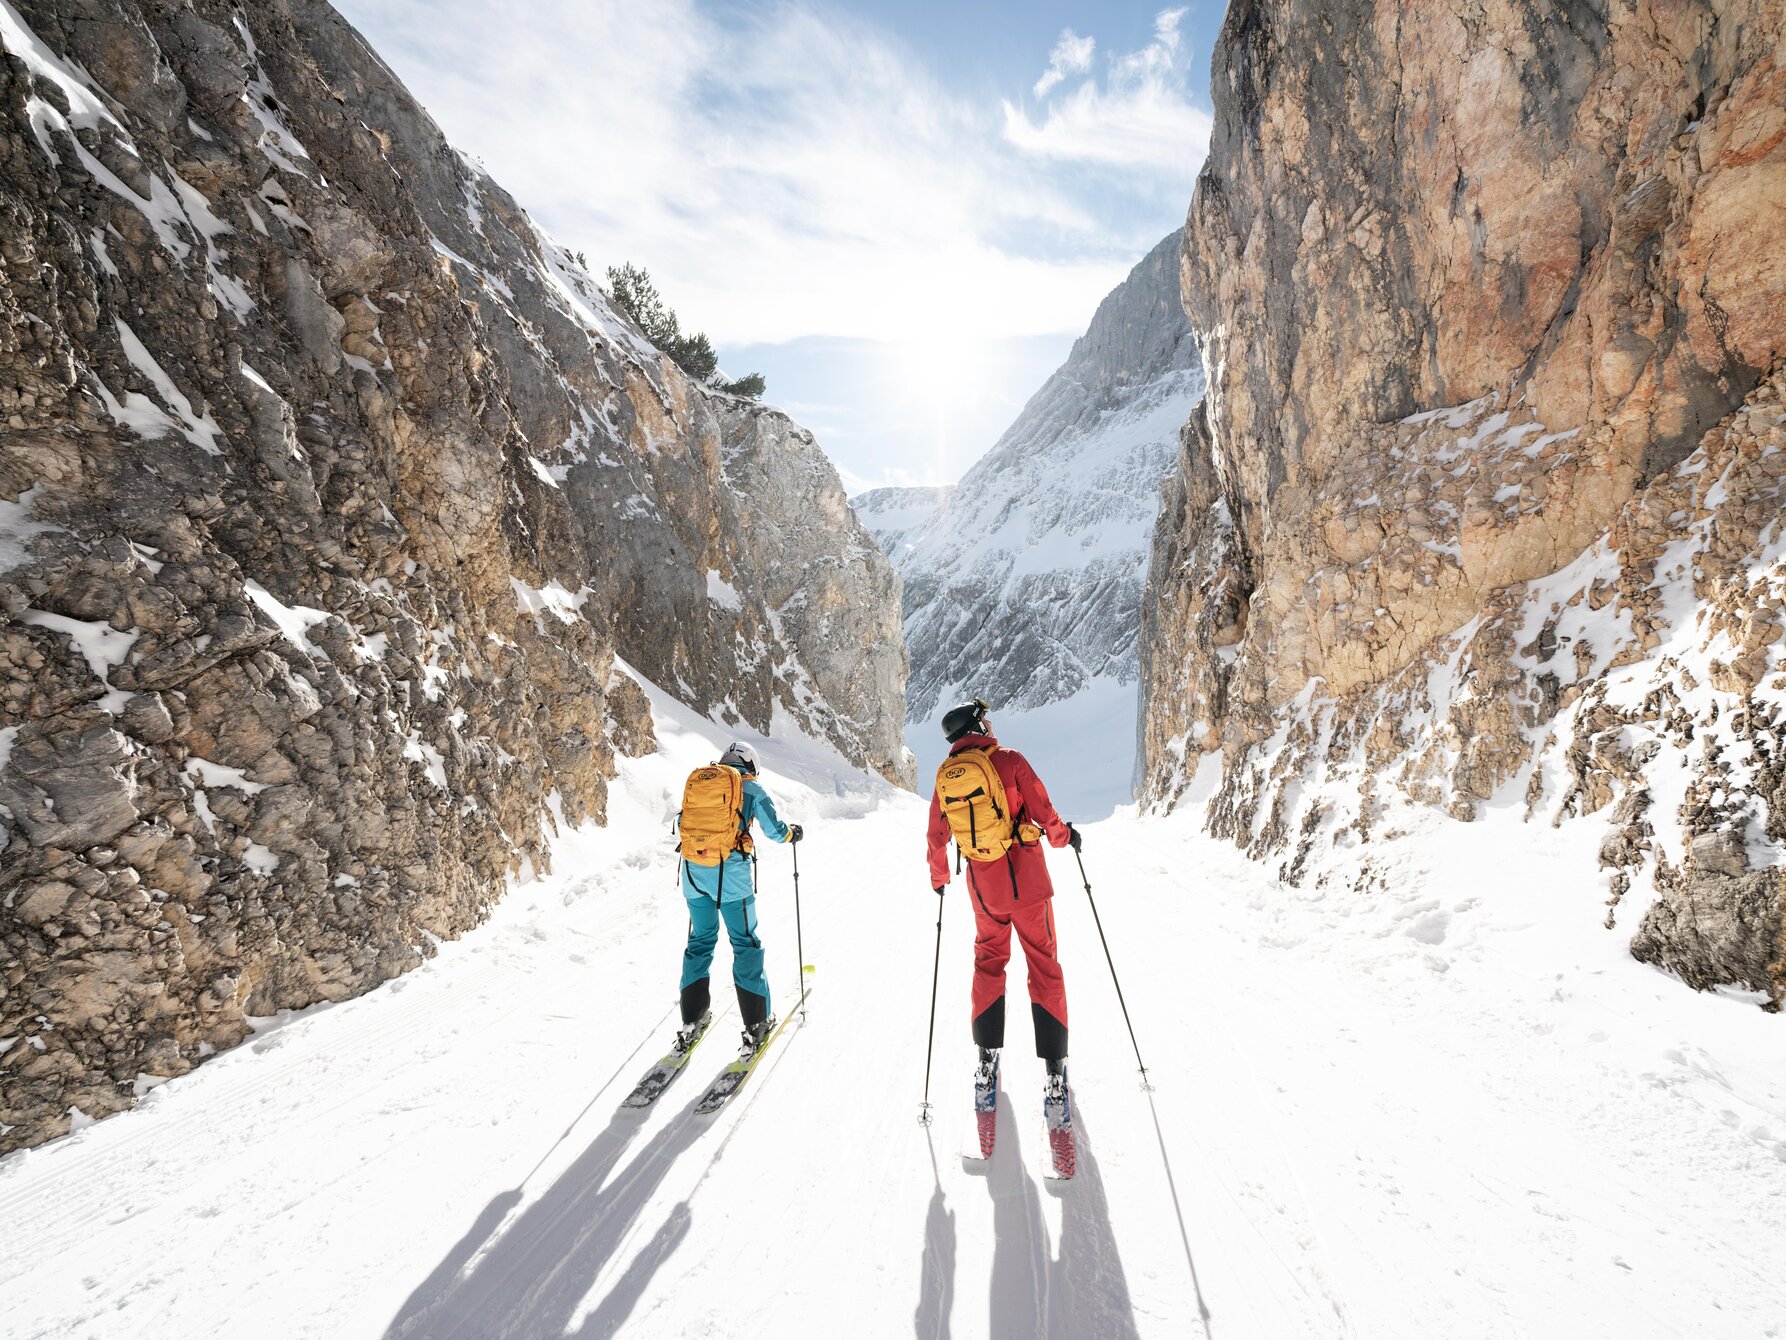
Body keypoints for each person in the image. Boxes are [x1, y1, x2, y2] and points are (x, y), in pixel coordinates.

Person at [926, 698, 1080, 1103]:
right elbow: (1045, 813)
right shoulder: (1010, 761)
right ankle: (1054, 1069)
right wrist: (1066, 837)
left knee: (989, 963)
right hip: (1028, 886)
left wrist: (940, 877)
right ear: (979, 726)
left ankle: (985, 1057)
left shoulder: (946, 777)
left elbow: (936, 836)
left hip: (984, 890)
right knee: (1043, 966)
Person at [677, 742, 802, 1055]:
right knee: (745, 943)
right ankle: (756, 1024)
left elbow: (681, 824)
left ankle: (692, 1019)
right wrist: (793, 834)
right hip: (730, 879)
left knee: (701, 941)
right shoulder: (751, 789)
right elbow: (775, 831)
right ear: (750, 765)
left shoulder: (702, 783)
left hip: (693, 875)